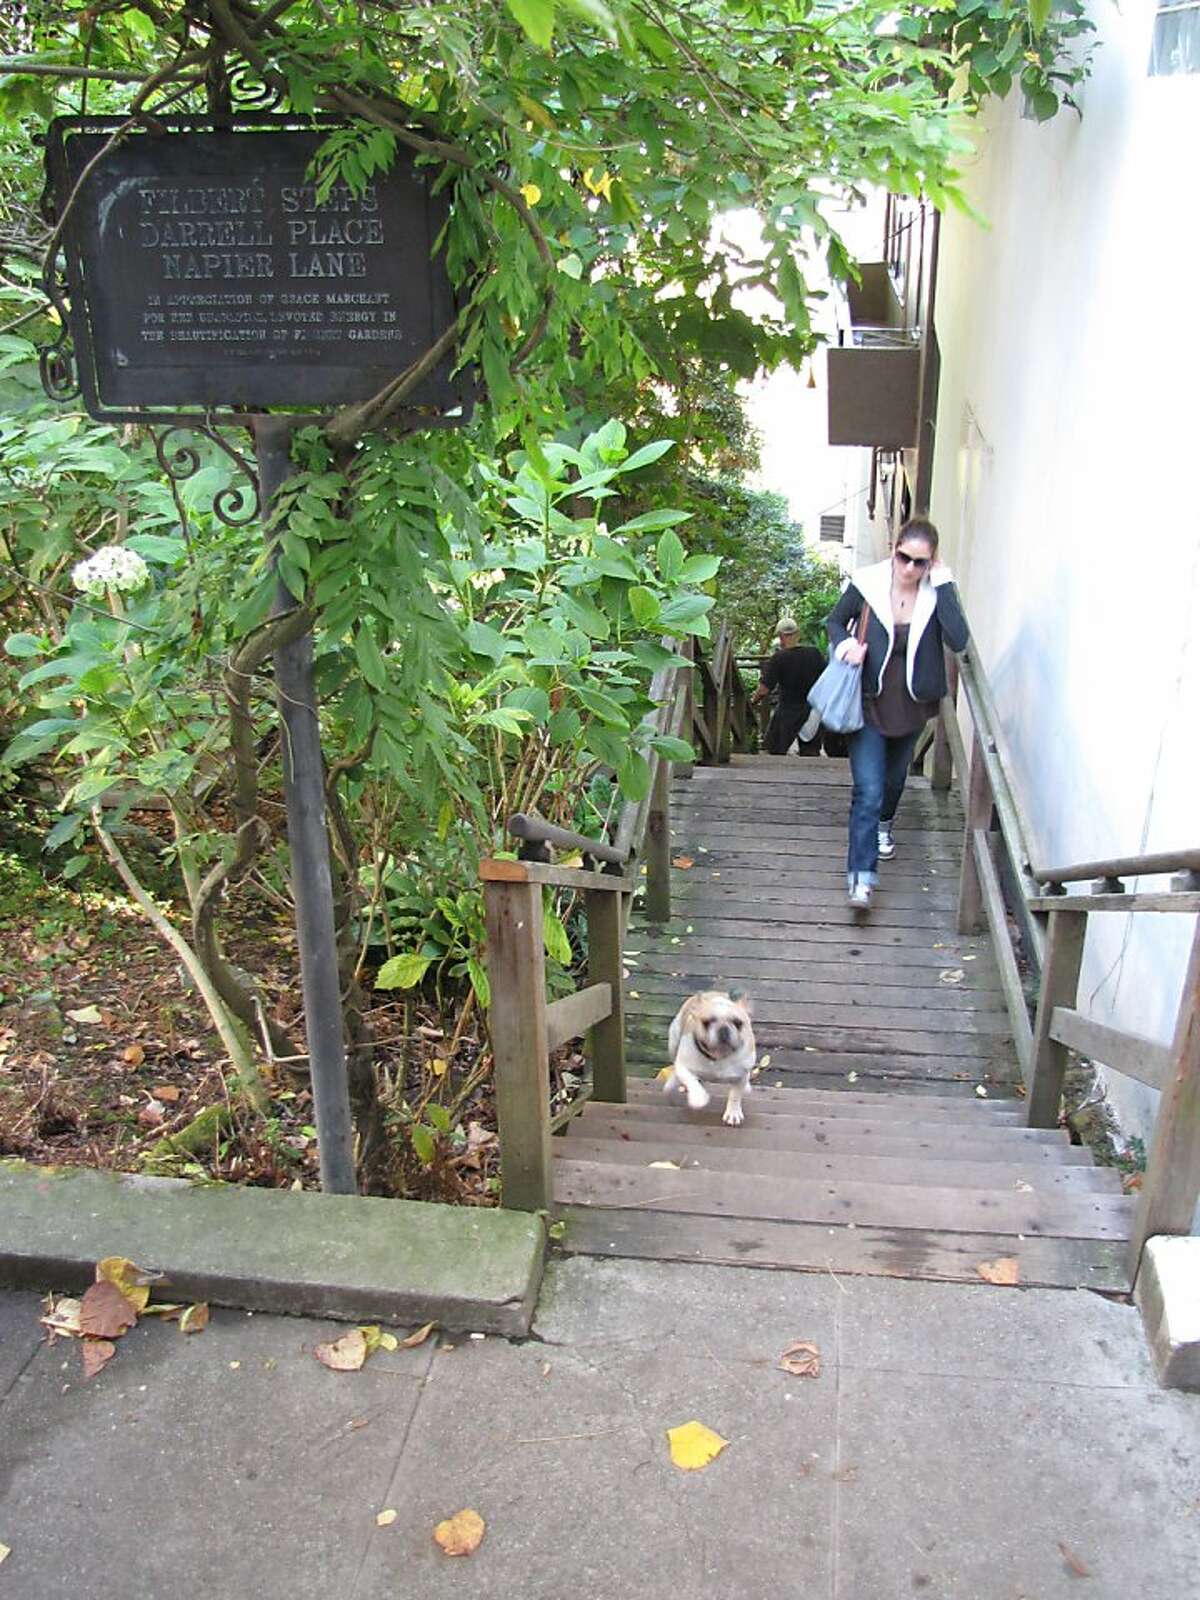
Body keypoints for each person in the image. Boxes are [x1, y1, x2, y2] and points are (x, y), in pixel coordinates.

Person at [825, 518, 968, 909]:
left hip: (911, 706)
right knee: (868, 790)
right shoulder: (868, 583)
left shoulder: (935, 591)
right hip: (867, 701)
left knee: (893, 780)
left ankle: (885, 825)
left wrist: (944, 583)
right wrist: (846, 647)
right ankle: (861, 878)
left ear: (931, 561)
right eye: (904, 557)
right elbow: (835, 621)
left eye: (920, 562)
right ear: (894, 549)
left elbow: (958, 639)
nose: (909, 568)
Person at [750, 616, 825, 756]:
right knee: (811, 752)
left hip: (787, 712)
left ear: (780, 636)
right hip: (812, 710)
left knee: (774, 750)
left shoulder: (779, 658)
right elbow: (826, 680)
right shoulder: (814, 653)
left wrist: (751, 703)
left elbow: (764, 690)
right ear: (797, 634)